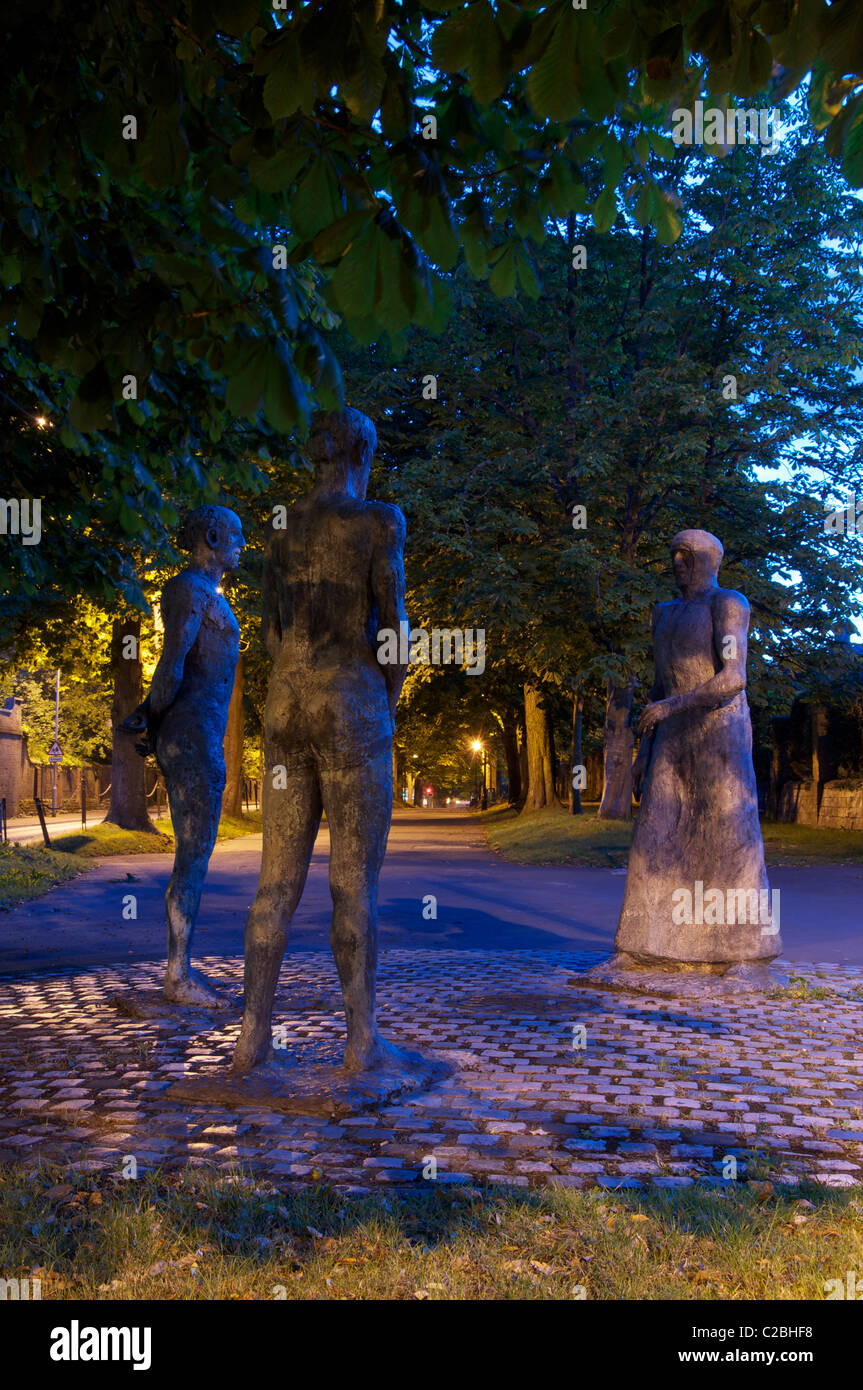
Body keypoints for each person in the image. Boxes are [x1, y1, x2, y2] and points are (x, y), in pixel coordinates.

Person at [233, 408, 423, 1078]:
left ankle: (251, 1038)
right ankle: (360, 1042)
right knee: (352, 884)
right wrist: (387, 697)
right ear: (362, 450)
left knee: (275, 881)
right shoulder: (378, 521)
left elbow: (267, 632)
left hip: (287, 705)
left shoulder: (282, 524)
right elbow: (394, 625)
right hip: (350, 704)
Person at [616, 528, 781, 966]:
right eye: (673, 555)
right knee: (653, 838)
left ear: (711, 560)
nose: (678, 564)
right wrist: (643, 754)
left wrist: (673, 706)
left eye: (687, 555)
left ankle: (743, 953)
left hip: (718, 734)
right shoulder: (663, 614)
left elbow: (733, 677)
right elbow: (657, 686)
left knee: (728, 838)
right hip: (670, 737)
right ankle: (639, 947)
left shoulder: (728, 604)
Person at [124, 505, 245, 1006]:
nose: (242, 545)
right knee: (192, 857)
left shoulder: (206, 593)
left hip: (200, 734)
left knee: (195, 855)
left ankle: (180, 971)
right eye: (235, 536)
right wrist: (151, 717)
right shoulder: (189, 591)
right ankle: (177, 977)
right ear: (212, 536)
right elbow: (172, 665)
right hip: (192, 736)